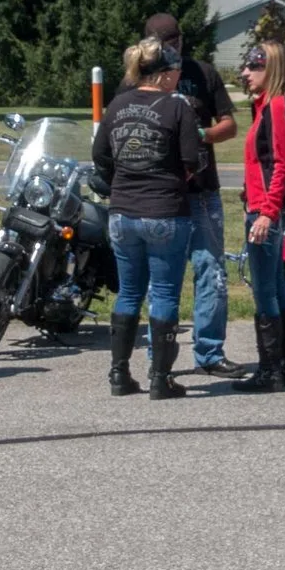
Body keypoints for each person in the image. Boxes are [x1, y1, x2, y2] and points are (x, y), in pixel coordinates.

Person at [93, 36, 205, 400]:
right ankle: (161, 377)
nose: (177, 77)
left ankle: (118, 374)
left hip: (123, 212)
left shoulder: (117, 104)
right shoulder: (178, 107)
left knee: (128, 292)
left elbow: (101, 157)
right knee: (165, 294)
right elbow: (192, 161)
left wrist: (125, 182)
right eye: (174, 71)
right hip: (164, 212)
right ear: (161, 75)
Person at [143, 11, 244, 380]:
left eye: (175, 41)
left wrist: (196, 135)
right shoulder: (141, 77)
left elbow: (230, 126)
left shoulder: (203, 74)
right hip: (160, 193)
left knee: (211, 271)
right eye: (163, 43)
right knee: (162, 279)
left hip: (202, 190)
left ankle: (210, 353)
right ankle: (160, 357)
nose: (172, 49)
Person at [235, 36, 285, 393]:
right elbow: (263, 164)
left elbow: (281, 165)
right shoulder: (266, 105)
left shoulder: (278, 106)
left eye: (254, 66)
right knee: (278, 290)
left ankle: (271, 372)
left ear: (272, 69)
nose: (245, 72)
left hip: (268, 211)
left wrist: (266, 212)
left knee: (265, 291)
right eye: (247, 66)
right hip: (262, 205)